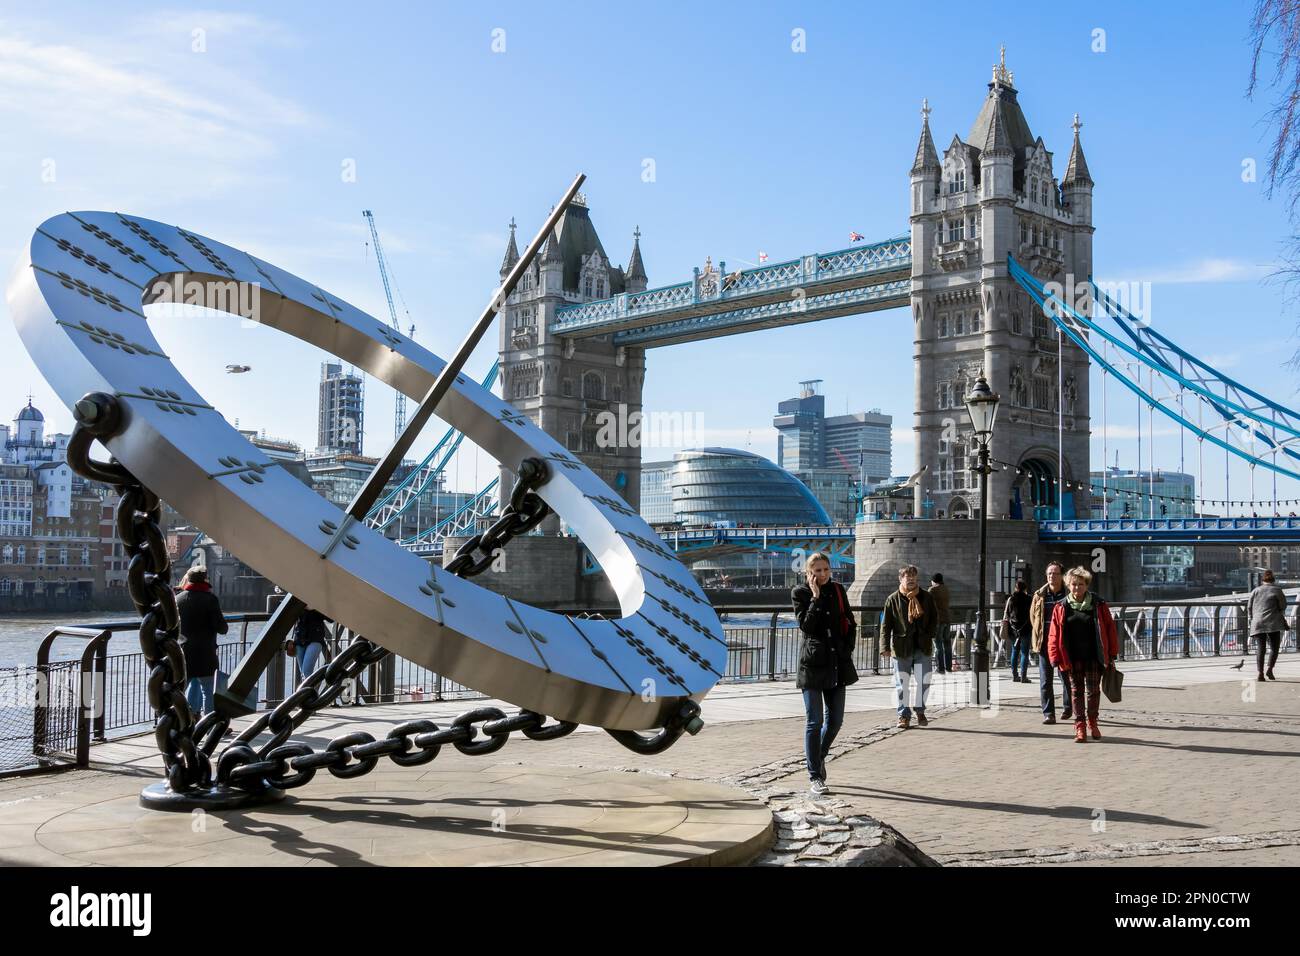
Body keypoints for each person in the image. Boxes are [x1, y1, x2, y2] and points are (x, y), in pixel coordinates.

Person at [792, 552, 858, 795]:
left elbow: (850, 621)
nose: (822, 575)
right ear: (808, 572)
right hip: (812, 664)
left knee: (836, 721)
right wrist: (816, 598)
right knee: (814, 721)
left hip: (836, 662)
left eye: (825, 570)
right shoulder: (800, 593)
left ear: (830, 570)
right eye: (817, 571)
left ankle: (818, 756)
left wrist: (847, 647)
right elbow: (806, 626)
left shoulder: (839, 590)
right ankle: (815, 776)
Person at [1046, 566, 1119, 743]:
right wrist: (1054, 657)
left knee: (1093, 692)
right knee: (1076, 692)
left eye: (1080, 584)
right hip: (1071, 657)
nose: (1077, 588)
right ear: (1068, 586)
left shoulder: (1099, 604)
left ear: (1086, 585)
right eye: (1073, 584)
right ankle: (1080, 727)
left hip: (1094, 656)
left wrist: (1112, 654)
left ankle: (1093, 723)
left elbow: (1110, 629)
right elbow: (1054, 633)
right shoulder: (1061, 606)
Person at [880, 564, 937, 729]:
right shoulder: (893, 599)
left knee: (924, 681)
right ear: (901, 579)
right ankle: (903, 715)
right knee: (902, 683)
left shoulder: (927, 597)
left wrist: (929, 634)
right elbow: (886, 625)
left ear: (917, 578)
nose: (910, 579)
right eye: (907, 576)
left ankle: (920, 711)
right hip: (901, 647)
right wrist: (885, 646)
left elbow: (934, 618)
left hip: (922, 646)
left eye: (913, 576)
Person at [176, 567, 227, 716]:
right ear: (205, 580)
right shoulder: (210, 599)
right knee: (208, 690)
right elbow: (221, 627)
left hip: (184, 651)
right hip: (206, 652)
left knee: (182, 688)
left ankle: (183, 720)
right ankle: (209, 725)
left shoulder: (179, 599)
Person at [1029, 561, 1071, 725]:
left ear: (1062, 576)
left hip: (1064, 643)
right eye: (1049, 574)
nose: (1052, 576)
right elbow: (1033, 617)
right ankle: (1049, 714)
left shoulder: (1069, 595)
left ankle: (1068, 707)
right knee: (1045, 680)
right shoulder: (1039, 595)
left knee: (1066, 678)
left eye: (1055, 573)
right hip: (1045, 643)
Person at [1247, 569, 1288, 681]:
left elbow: (1249, 607)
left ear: (1263, 580)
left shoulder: (1255, 590)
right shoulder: (1277, 590)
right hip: (1273, 623)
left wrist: (1252, 619)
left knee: (1261, 648)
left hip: (1257, 623)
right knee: (1274, 648)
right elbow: (1283, 605)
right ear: (1273, 580)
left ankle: (1260, 673)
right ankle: (1270, 669)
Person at [292, 608, 332, 681]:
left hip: (315, 639)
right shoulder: (300, 602)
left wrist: (316, 608)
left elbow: (331, 619)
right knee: (304, 674)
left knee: (306, 673)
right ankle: (308, 691)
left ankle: (308, 691)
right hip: (300, 640)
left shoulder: (318, 601)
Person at [1004, 579, 1032, 682]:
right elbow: (1032, 614)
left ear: (1016, 588)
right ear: (1025, 588)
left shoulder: (1011, 599)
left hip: (1013, 630)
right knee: (1025, 652)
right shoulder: (1029, 599)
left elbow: (1007, 614)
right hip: (1026, 629)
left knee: (1014, 651)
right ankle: (1023, 676)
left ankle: (1015, 676)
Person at [929, 572, 953, 673]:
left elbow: (928, 604)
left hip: (938, 620)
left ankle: (940, 667)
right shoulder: (946, 589)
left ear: (933, 581)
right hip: (947, 619)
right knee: (947, 644)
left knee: (938, 644)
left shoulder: (932, 590)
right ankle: (948, 667)